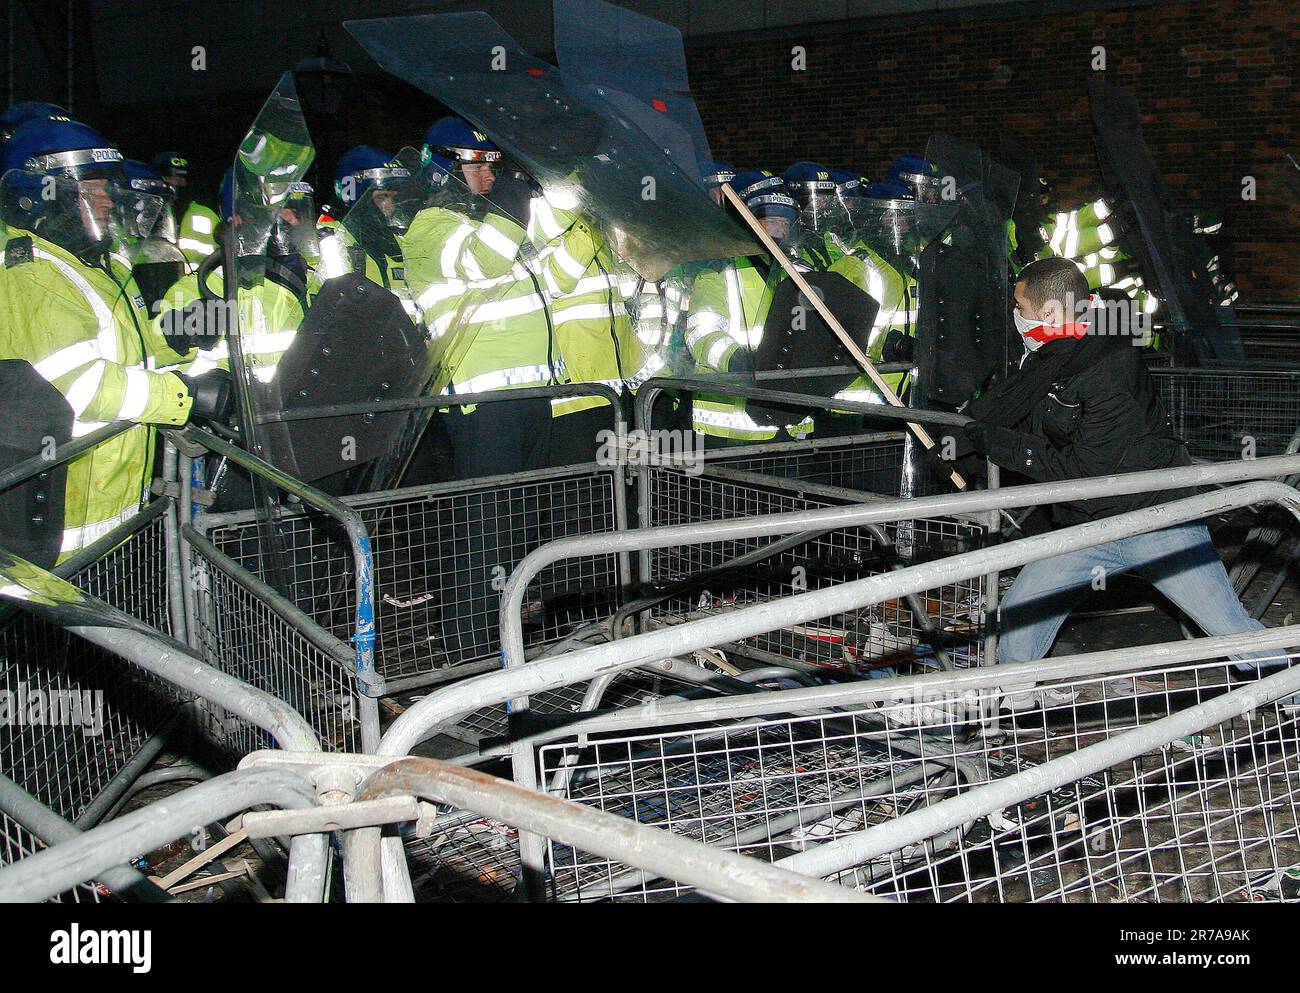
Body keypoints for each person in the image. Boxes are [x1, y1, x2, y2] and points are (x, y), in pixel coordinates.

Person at [961, 257, 1280, 707]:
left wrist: (1001, 445)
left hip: (1155, 520)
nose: (1015, 314)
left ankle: (1291, 693)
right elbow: (1021, 413)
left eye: (1020, 305)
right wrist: (964, 435)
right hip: (1088, 522)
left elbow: (1087, 469)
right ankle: (1007, 705)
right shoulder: (1053, 357)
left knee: (1227, 625)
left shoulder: (1107, 366)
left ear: (1050, 312)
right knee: (1023, 611)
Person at [0, 118, 228, 559]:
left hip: (112, 508)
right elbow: (75, 385)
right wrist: (185, 396)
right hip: (64, 531)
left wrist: (177, 335)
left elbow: (126, 347)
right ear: (38, 195)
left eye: (107, 187)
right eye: (91, 188)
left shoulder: (98, 265)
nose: (107, 199)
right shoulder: (33, 274)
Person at [151, 151, 220, 270]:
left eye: (182, 179)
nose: (177, 183)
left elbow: (222, 256)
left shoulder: (207, 215)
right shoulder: (144, 213)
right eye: (170, 178)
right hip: (153, 283)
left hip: (197, 285)